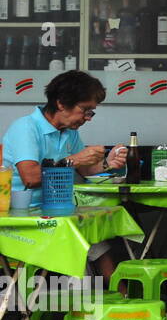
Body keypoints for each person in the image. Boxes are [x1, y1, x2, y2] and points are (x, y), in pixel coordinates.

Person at [2, 71, 127, 280]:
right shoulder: (26, 128)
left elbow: (84, 170)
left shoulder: (69, 132)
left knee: (96, 238)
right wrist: (76, 159)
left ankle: (121, 300)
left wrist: (107, 163)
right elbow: (30, 178)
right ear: (61, 103)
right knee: (79, 241)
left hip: (52, 209)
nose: (88, 118)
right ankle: (82, 305)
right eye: (85, 110)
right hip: (18, 216)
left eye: (91, 112)